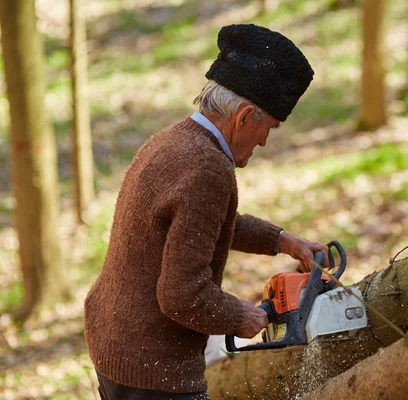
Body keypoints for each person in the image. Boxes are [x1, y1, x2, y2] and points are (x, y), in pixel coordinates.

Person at [84, 23, 328, 399]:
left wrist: (282, 241)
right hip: (154, 366)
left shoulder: (172, 140)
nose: (264, 140)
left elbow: (203, 223)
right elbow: (182, 295)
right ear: (245, 116)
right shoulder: (208, 168)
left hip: (116, 338)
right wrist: (244, 317)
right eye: (269, 128)